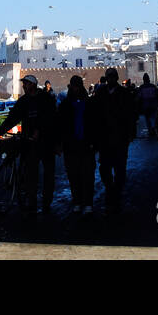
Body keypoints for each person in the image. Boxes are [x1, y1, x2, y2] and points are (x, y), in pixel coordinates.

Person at [0, 74, 58, 215]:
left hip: (46, 142)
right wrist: (1, 130)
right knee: (31, 174)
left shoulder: (46, 99)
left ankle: (47, 202)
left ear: (33, 85)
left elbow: (51, 119)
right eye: (24, 84)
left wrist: (40, 131)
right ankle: (32, 202)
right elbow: (13, 117)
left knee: (48, 174)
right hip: (29, 142)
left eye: (27, 83)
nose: (24, 86)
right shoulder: (23, 102)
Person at [87, 67, 134, 212]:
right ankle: (110, 189)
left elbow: (131, 114)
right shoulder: (101, 93)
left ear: (116, 77)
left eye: (113, 76)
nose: (111, 79)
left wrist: (130, 132)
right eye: (109, 76)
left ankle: (116, 192)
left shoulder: (124, 93)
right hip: (104, 138)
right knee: (105, 167)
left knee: (120, 167)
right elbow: (94, 115)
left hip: (120, 137)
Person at [57, 75, 95, 214]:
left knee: (87, 175)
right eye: (73, 86)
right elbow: (60, 125)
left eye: (77, 86)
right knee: (74, 175)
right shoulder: (65, 105)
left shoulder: (88, 103)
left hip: (85, 144)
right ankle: (78, 201)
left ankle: (88, 202)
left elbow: (94, 124)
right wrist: (60, 143)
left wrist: (93, 142)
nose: (75, 89)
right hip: (71, 145)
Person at [136, 73, 158, 138]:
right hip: (154, 104)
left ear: (143, 80)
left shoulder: (141, 87)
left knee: (147, 118)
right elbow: (157, 95)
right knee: (153, 117)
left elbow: (139, 97)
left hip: (145, 105)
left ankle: (150, 130)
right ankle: (153, 128)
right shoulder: (153, 86)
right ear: (149, 79)